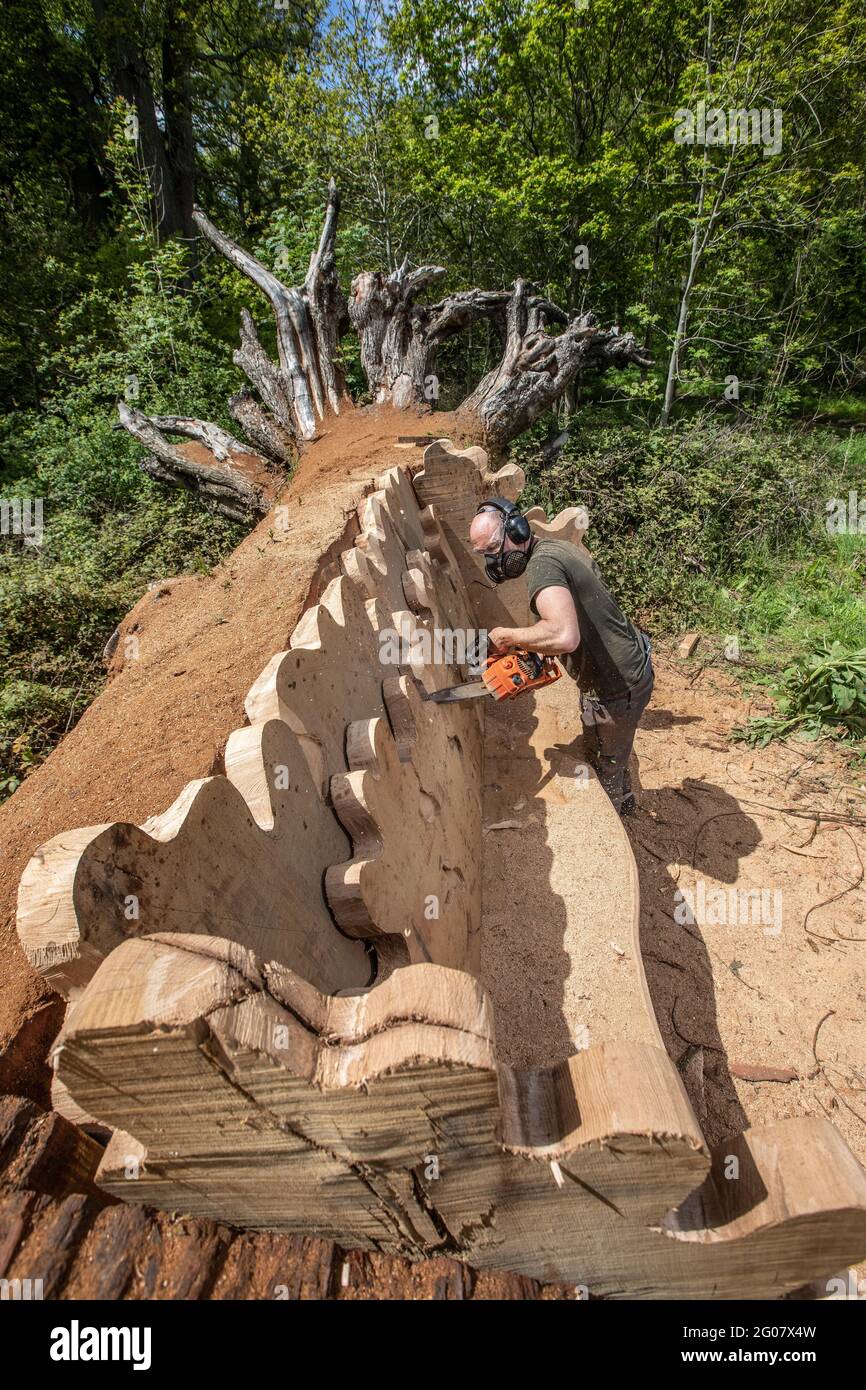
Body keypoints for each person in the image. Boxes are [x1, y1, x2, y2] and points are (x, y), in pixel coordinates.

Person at [469, 497, 653, 816]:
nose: (494, 563)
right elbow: (579, 615)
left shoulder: (543, 566)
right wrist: (539, 648)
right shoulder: (556, 549)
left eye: (494, 549)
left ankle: (615, 816)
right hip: (625, 668)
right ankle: (622, 785)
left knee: (604, 762)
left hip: (618, 685)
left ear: (518, 528)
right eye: (485, 555)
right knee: (606, 743)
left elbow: (565, 636)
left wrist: (507, 636)